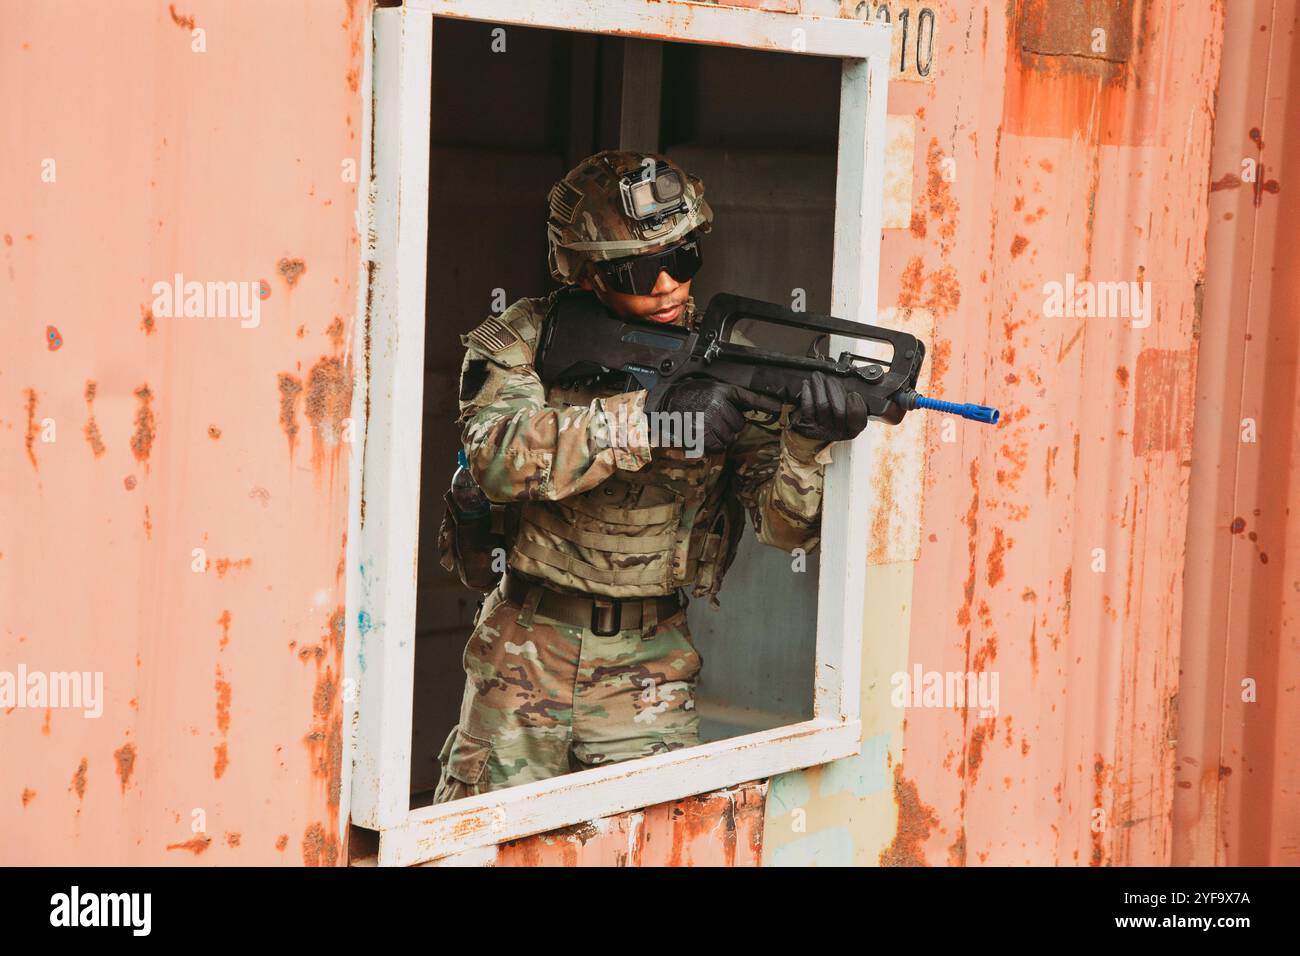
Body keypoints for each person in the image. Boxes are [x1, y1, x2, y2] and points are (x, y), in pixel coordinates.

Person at [434, 150, 868, 802]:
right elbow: (496, 455)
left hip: (649, 663)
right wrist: (650, 419)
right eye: (641, 269)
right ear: (584, 273)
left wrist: (805, 445)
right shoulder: (522, 339)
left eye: (684, 259)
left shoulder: (727, 366)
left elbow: (784, 531)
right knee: (477, 841)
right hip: (524, 648)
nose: (667, 283)